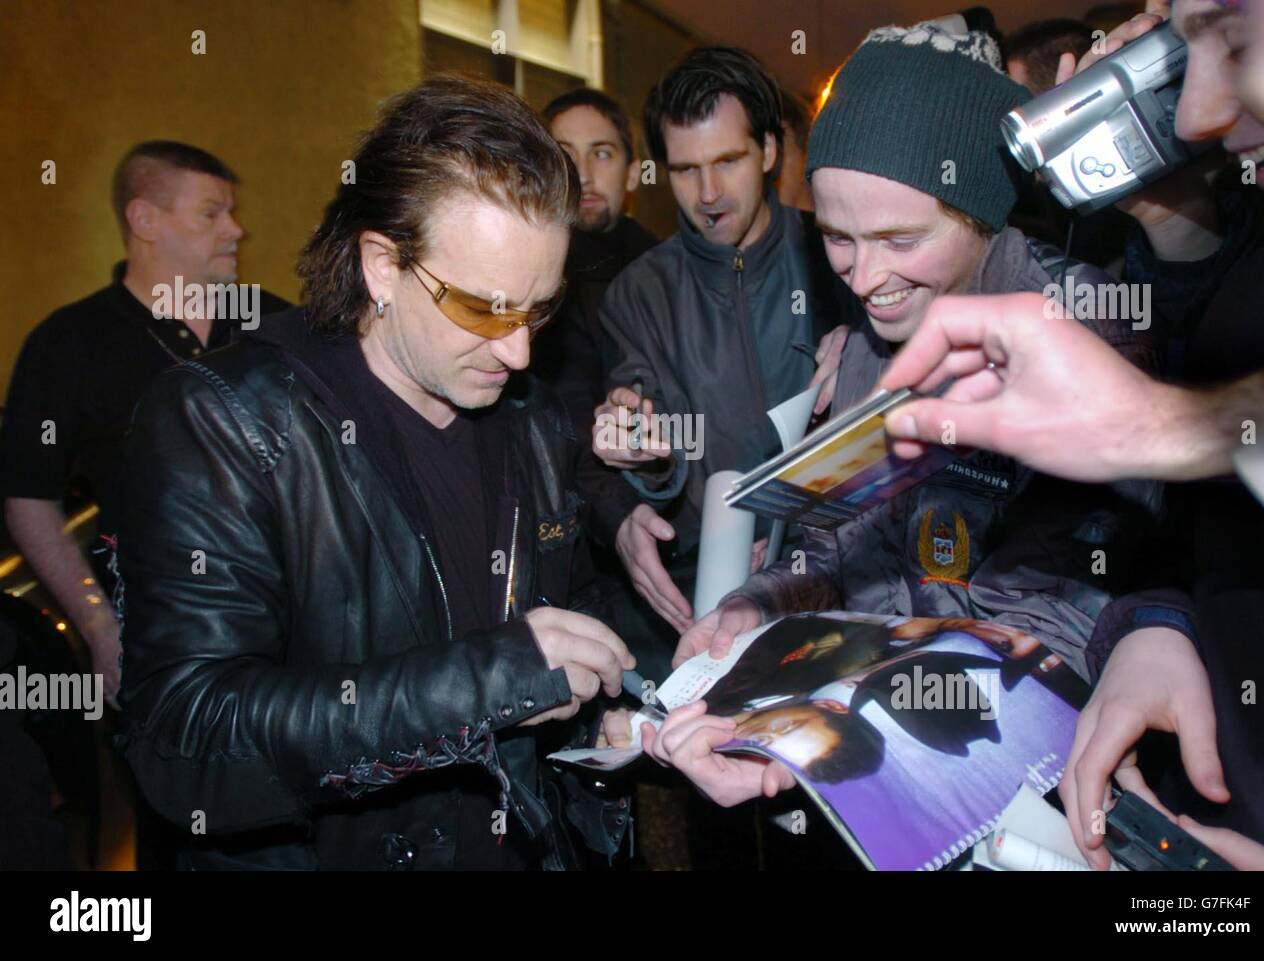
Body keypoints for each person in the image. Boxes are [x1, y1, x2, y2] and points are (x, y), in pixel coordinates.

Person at [621, 21, 1165, 818]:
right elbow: (839, 553)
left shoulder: (1085, 331)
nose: (866, 277)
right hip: (893, 765)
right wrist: (757, 609)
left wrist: (872, 701)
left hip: (1043, 788)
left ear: (981, 216)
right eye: (837, 238)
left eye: (900, 238)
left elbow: (1086, 605)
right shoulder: (872, 348)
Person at [116, 77, 635, 870]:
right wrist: (487, 681)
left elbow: (565, 608)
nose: (519, 350)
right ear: (383, 266)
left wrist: (637, 698)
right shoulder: (225, 421)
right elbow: (187, 736)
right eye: (484, 308)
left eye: (539, 309)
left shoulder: (529, 417)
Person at [878, 1, 1264, 870]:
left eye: (1237, 41)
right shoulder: (1261, 284)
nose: (1195, 117)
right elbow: (1213, 539)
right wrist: (1159, 623)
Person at [0, 141, 290, 707]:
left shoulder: (277, 325)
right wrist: (99, 627)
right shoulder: (69, 342)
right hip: (157, 639)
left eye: (231, 211)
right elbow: (29, 499)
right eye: (212, 213)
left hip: (293, 634)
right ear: (144, 220)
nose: (236, 230)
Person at [588, 46, 857, 639]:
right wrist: (643, 448)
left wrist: (867, 357)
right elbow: (650, 436)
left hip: (841, 577)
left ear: (767, 150)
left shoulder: (839, 255)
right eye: (685, 170)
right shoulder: (638, 293)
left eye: (728, 160)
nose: (708, 193)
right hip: (704, 592)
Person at [533, 88, 658, 434]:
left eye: (601, 154)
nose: (583, 175)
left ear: (633, 173)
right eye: (564, 154)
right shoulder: (517, 274)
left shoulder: (667, 275)